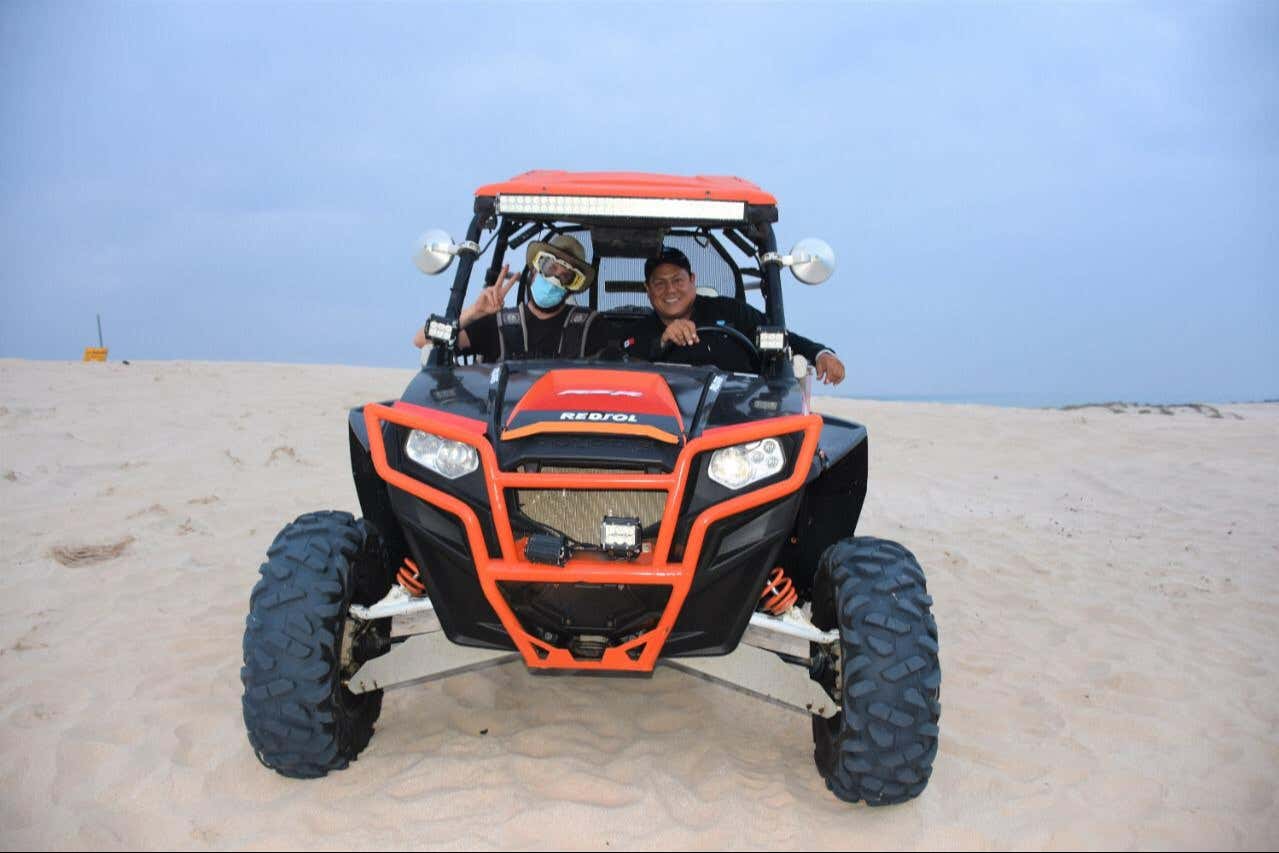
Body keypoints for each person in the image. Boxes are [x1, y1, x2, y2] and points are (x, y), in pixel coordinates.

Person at [634, 246, 847, 384]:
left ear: (692, 279)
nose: (670, 290)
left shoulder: (731, 312)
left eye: (677, 280)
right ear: (648, 289)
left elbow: (780, 337)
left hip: (737, 418)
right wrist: (661, 342)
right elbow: (617, 365)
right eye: (659, 283)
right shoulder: (636, 331)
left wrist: (821, 354)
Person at [413, 234, 608, 361]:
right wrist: (473, 313)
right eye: (550, 268)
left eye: (566, 276)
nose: (554, 280)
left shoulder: (589, 327)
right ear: (533, 269)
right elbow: (421, 339)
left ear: (572, 288)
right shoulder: (496, 323)